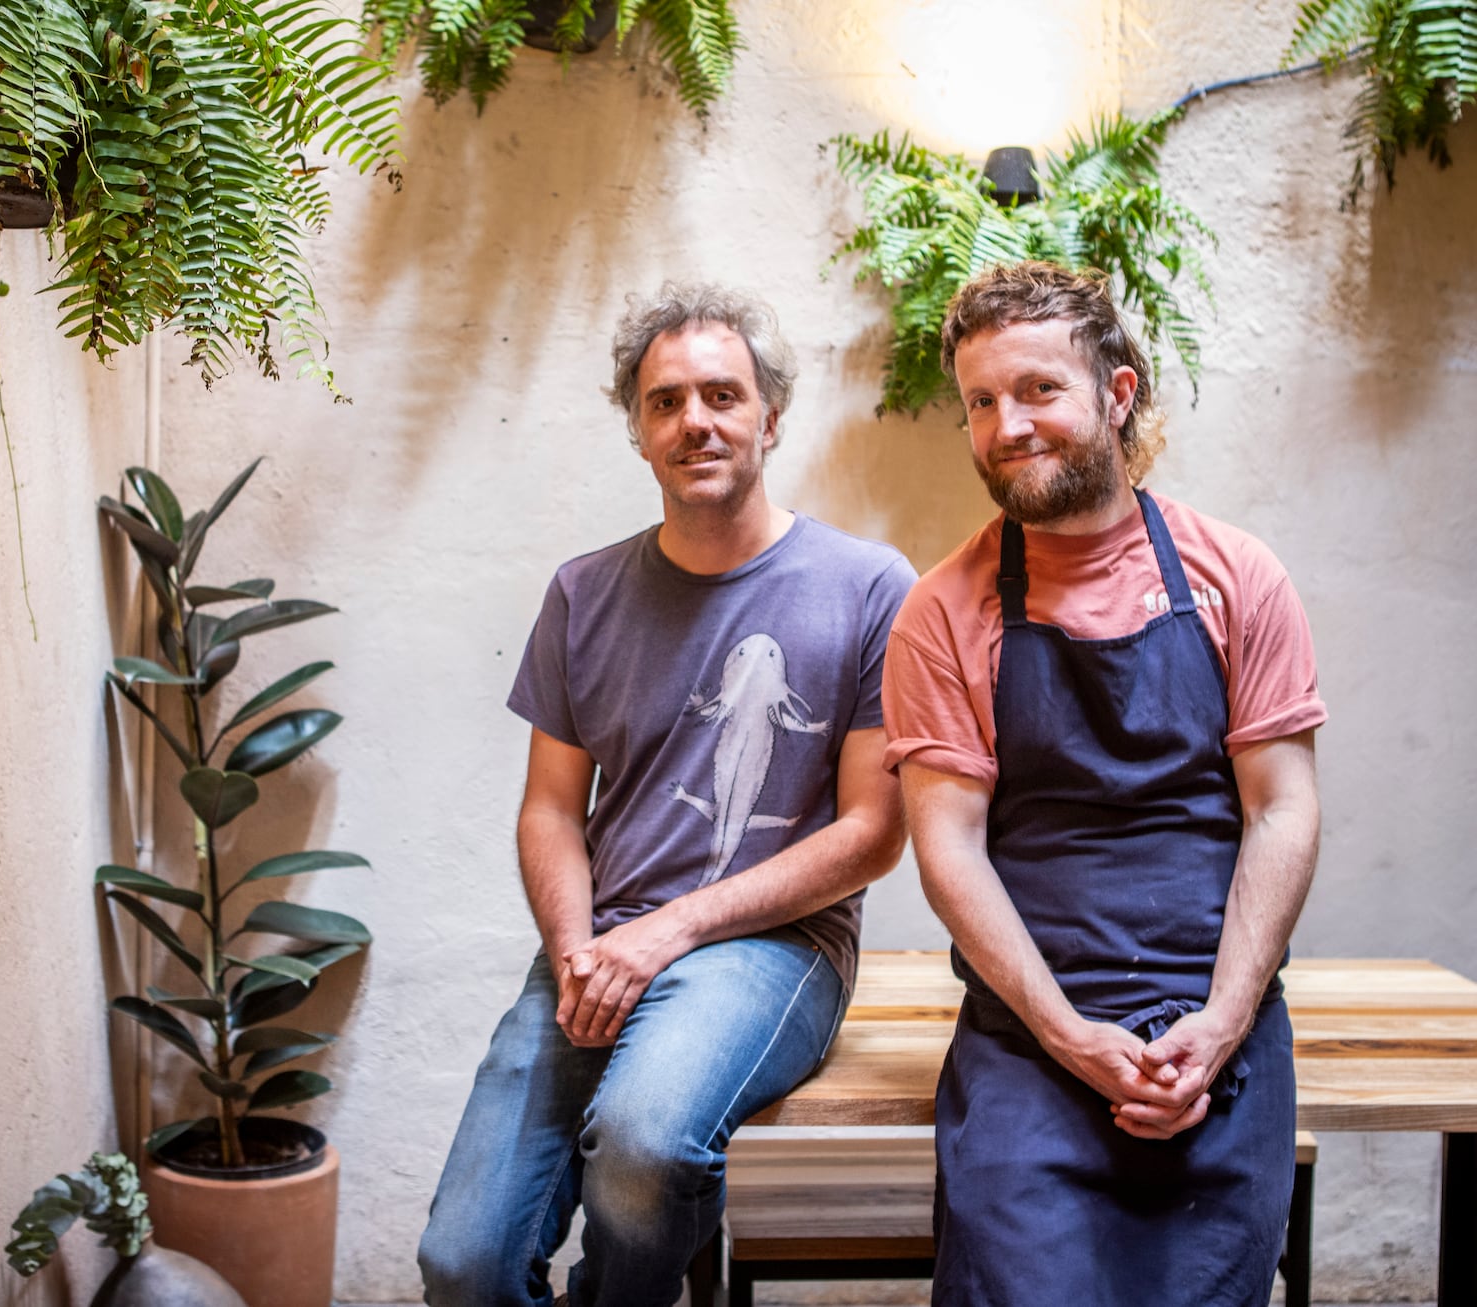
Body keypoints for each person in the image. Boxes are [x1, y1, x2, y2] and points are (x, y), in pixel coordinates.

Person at [416, 283, 916, 1307]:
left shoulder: (868, 586)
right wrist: (575, 947)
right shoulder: (581, 593)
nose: (696, 420)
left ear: (770, 417)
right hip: (597, 946)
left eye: (723, 395)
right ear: (639, 431)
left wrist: (668, 932)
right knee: (460, 1265)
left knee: (643, 1149)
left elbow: (871, 834)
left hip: (778, 949)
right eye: (666, 401)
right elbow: (551, 807)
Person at [882, 261, 1326, 1305]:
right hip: (1030, 1039)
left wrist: (1219, 1022)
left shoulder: (1234, 575)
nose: (1006, 425)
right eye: (981, 403)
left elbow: (1281, 807)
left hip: (1212, 1034)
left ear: (1116, 395)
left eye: (1038, 389)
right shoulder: (941, 612)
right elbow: (946, 848)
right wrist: (1068, 1035)